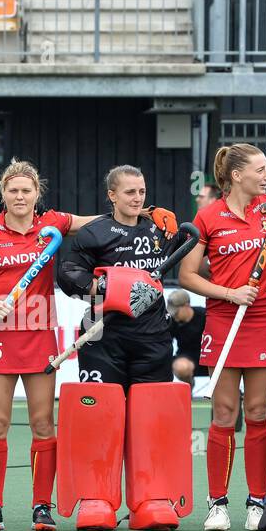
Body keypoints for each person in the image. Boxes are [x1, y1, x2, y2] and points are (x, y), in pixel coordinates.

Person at [0, 159, 99, 531]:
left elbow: (95, 222)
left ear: (37, 194)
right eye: (13, 190)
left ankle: (41, 506)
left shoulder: (51, 223)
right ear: (3, 193)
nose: (19, 196)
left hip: (39, 334)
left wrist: (134, 211)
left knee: (42, 423)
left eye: (26, 190)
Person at [179, 144, 266, 531]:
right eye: (260, 170)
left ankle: (257, 501)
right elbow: (188, 276)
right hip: (222, 320)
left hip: (264, 317)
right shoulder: (208, 217)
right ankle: (217, 503)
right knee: (224, 414)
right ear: (236, 175)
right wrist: (229, 293)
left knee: (259, 413)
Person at [56, 166, 180, 389]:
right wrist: (109, 288)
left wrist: (179, 228)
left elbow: (197, 247)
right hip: (102, 335)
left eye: (142, 192)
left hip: (152, 336)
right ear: (112, 195)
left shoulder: (161, 228)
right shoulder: (94, 232)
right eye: (130, 192)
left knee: (149, 417)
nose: (138, 198)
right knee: (103, 414)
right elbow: (68, 274)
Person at [167, 290, 205, 386]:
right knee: (180, 367)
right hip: (186, 356)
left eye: (176, 311)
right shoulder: (172, 321)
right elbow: (165, 343)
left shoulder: (204, 316)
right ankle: (188, 386)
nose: (173, 314)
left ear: (187, 305)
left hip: (210, 356)